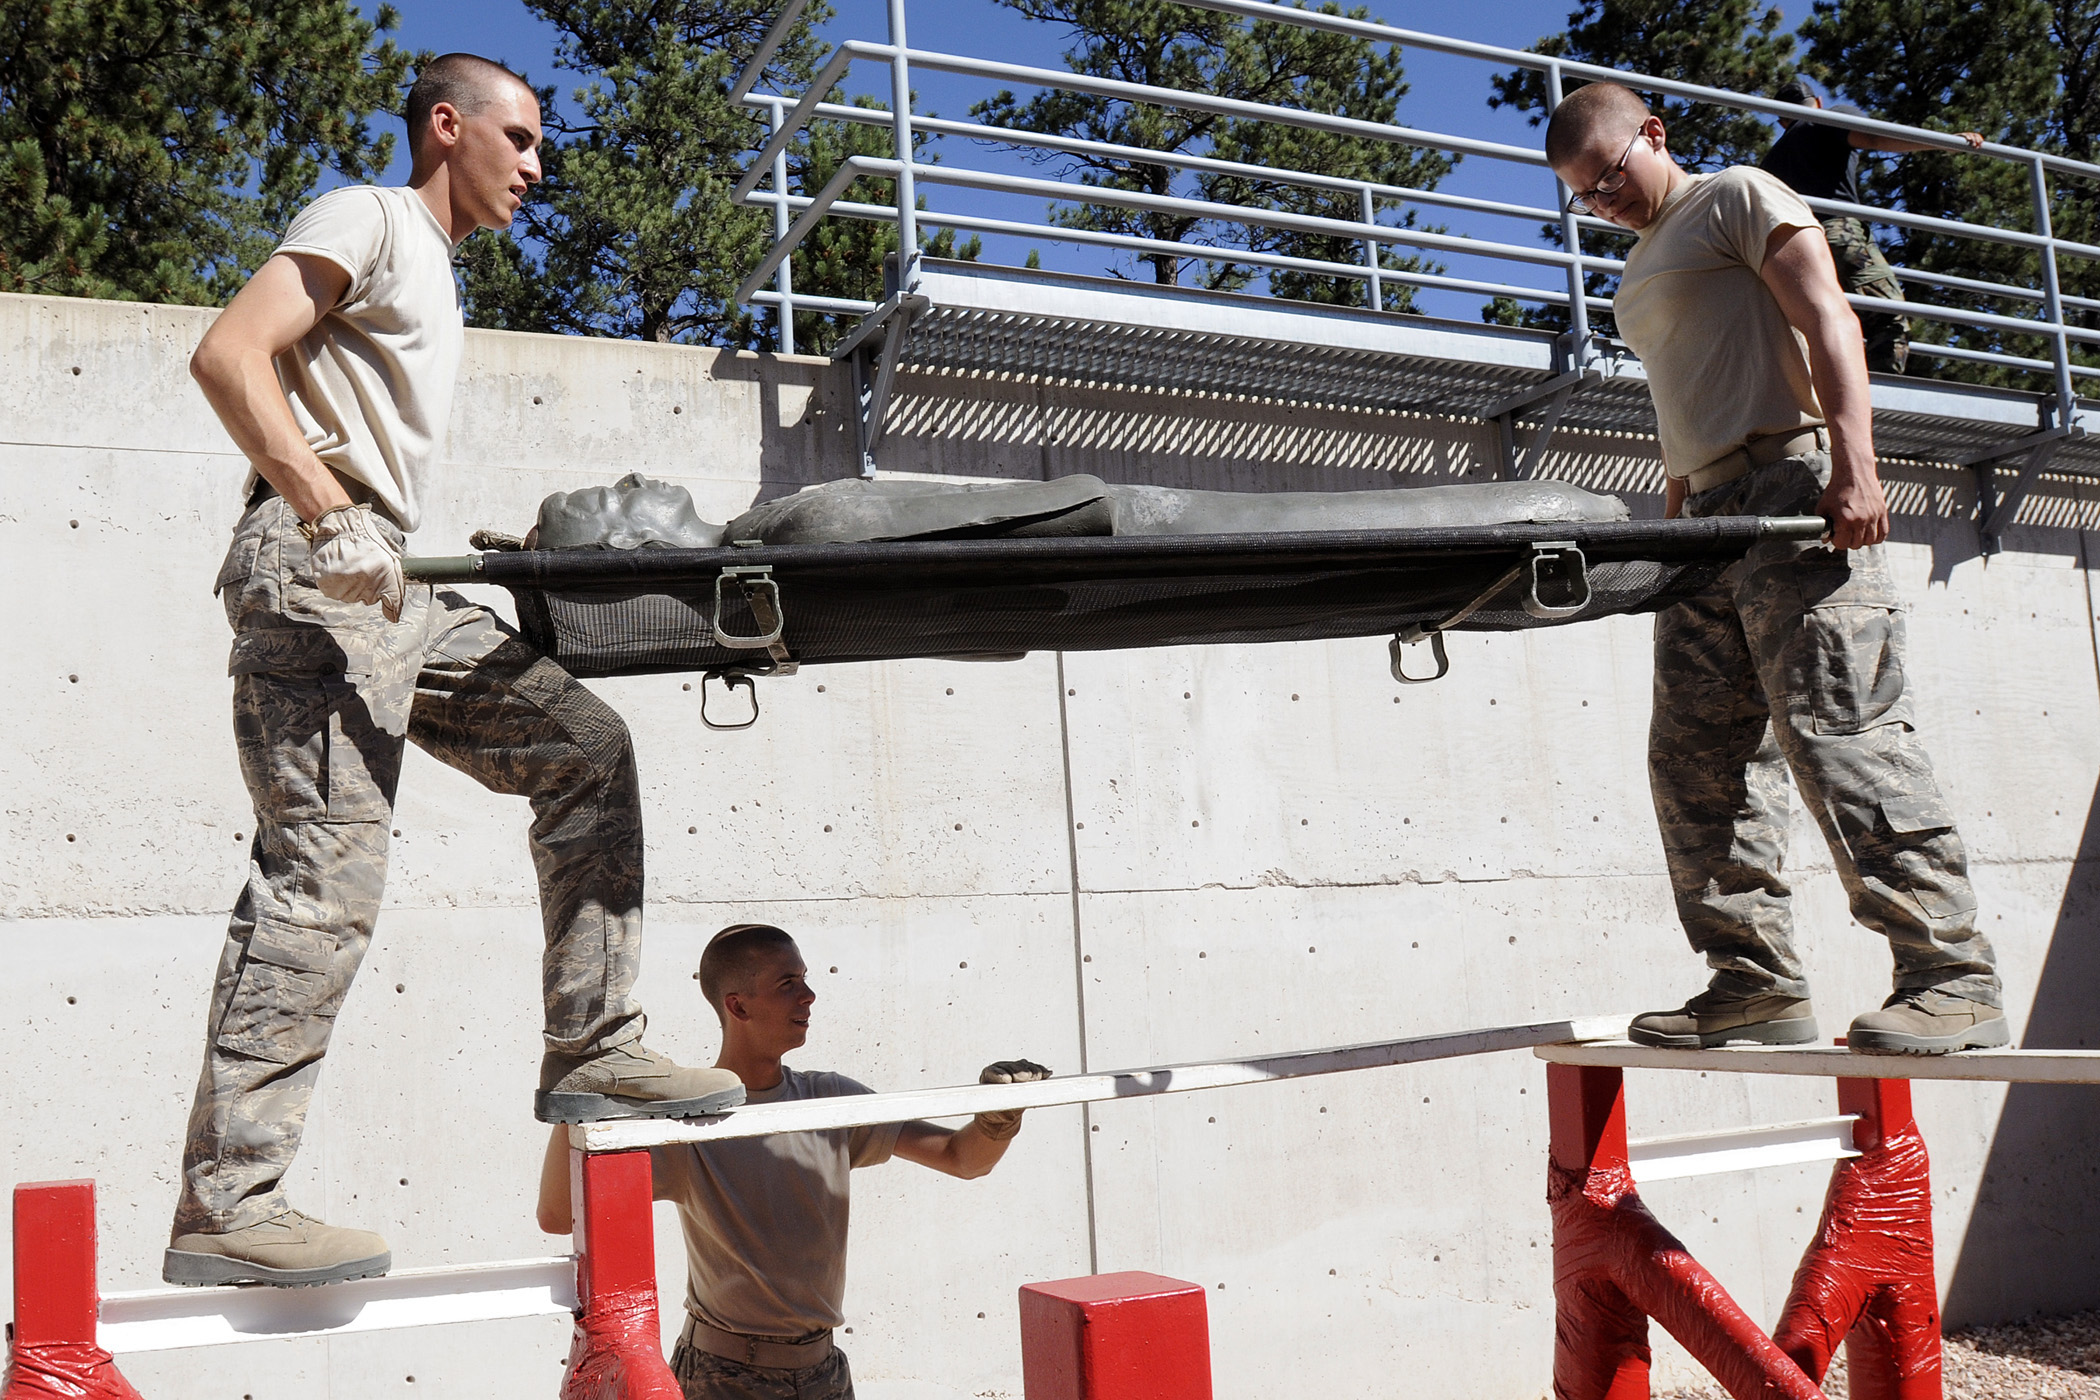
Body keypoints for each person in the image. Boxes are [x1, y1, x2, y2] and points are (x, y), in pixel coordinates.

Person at [165, 54, 743, 1290]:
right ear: (447, 125)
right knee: (326, 874)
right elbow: (229, 354)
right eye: (521, 138)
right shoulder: (368, 215)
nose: (536, 167)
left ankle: (592, 1046)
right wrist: (326, 512)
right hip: (319, 566)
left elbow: (358, 442)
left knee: (584, 748)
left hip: (393, 582)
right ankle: (230, 1198)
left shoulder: (437, 272)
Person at [1544, 82, 2007, 1055]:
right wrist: (1674, 521)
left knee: (1843, 733)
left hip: (1792, 487)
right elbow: (1685, 404)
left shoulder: (1738, 195)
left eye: (1611, 173)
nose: (1604, 198)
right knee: (1695, 760)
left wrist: (1857, 465)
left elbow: (1831, 317)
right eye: (1584, 193)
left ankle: (1951, 976)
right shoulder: (1635, 275)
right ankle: (1751, 979)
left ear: (1653, 136)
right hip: (1704, 522)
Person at [537, 923, 1050, 1400]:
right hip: (724, 1376)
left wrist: (996, 1119)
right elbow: (559, 1216)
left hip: (823, 1370)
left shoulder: (828, 1100)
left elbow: (963, 1159)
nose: (809, 995)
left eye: (804, 979)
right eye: (788, 983)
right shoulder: (687, 1123)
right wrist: (580, 1091)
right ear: (737, 1007)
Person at [1759, 77, 1986, 373]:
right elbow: (1875, 137)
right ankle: (1880, 396)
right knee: (1888, 316)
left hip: (1788, 246)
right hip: (1836, 233)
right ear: (1817, 103)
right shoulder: (1826, 118)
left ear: (1781, 120)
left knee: (1815, 323)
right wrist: (1945, 142)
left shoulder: (1770, 162)